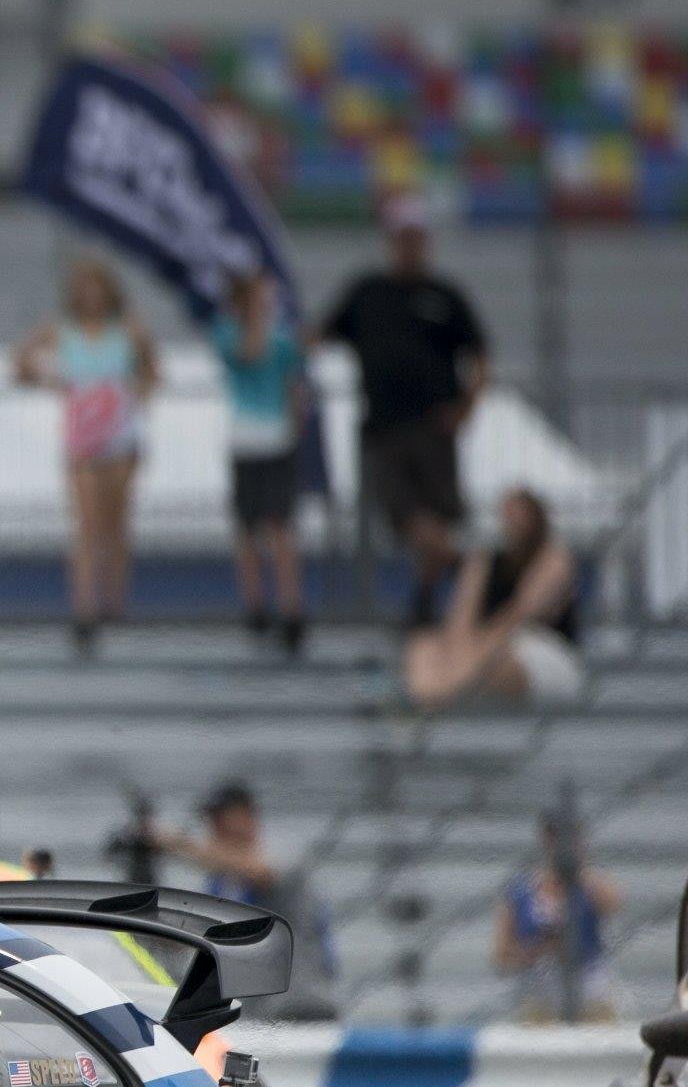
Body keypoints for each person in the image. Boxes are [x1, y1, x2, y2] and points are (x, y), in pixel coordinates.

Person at [321, 193, 487, 623]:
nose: (408, 247)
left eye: (414, 238)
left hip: (434, 427)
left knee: (437, 515)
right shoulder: (368, 292)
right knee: (404, 516)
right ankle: (465, 565)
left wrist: (468, 406)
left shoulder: (445, 296)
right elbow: (320, 334)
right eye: (401, 238)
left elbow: (480, 354)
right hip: (385, 428)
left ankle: (426, 603)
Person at [13, 255, 158, 654]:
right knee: (86, 524)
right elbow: (20, 364)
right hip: (82, 438)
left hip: (120, 437)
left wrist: (135, 396)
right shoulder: (62, 332)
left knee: (115, 522)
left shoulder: (128, 331)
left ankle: (115, 601)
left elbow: (151, 373)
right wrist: (50, 381)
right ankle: (85, 608)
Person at [144, 779, 339, 1019]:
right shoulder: (223, 884)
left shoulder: (281, 852)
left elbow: (261, 873)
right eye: (212, 819)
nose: (216, 827)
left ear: (248, 815)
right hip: (260, 1016)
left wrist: (175, 843)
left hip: (304, 1004)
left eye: (223, 817)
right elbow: (196, 934)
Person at [402, 485, 584, 711]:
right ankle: (432, 708)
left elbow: (522, 615)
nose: (511, 522)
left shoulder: (553, 557)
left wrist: (477, 648)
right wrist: (477, 567)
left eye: (519, 513)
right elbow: (458, 625)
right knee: (424, 648)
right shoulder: (487, 561)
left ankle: (439, 703)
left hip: (540, 650)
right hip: (486, 646)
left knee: (488, 663)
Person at [215, 267, 309, 653]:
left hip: (276, 442)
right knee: (247, 529)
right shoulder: (227, 333)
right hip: (245, 442)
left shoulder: (284, 339)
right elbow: (247, 356)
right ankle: (255, 604)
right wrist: (255, 317)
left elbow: (295, 384)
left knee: (281, 526)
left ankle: (291, 608)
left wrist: (295, 426)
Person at [496, 806, 622, 1024]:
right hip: (539, 993)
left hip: (590, 988)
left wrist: (577, 870)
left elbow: (613, 905)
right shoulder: (522, 890)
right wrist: (538, 950)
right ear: (545, 840)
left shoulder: (591, 884)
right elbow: (501, 954)